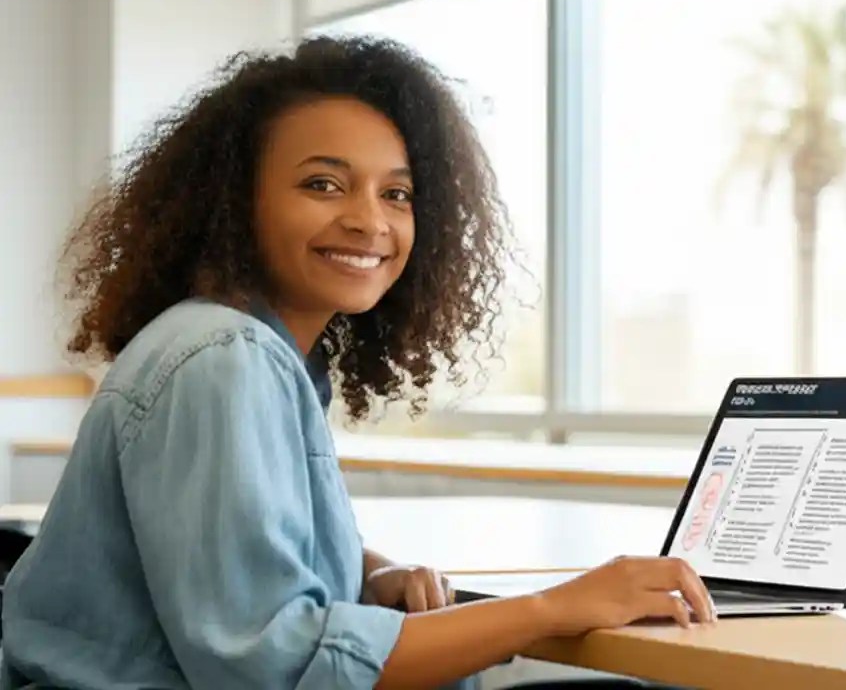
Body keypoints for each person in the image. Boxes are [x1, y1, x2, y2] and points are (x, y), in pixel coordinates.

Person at [0, 36, 714, 689]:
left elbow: (237, 567)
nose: (369, 220)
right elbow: (277, 667)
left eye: (396, 194)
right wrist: (554, 608)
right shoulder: (222, 360)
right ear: (233, 201)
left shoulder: (254, 352)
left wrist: (369, 574)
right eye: (323, 184)